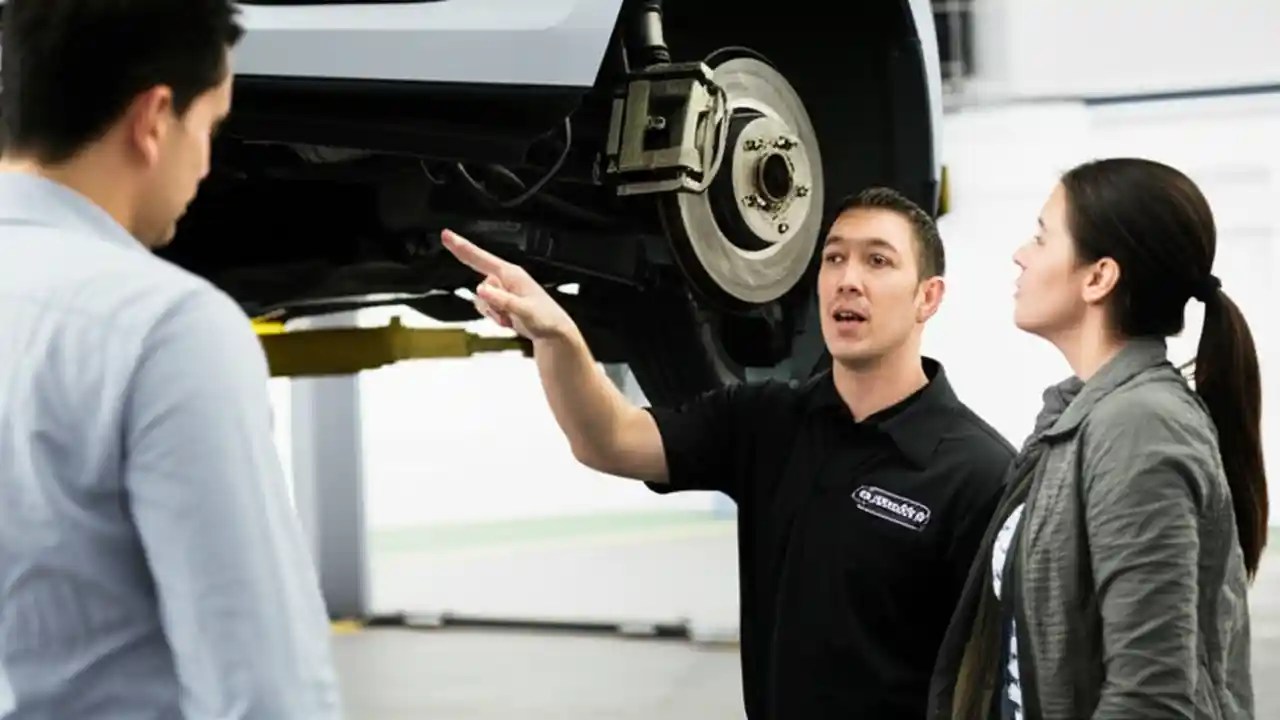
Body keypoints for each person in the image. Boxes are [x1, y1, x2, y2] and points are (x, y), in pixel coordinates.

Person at [442, 187, 1015, 719]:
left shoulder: (977, 472)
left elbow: (998, 677)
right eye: (834, 258)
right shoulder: (768, 421)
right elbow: (610, 439)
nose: (847, 280)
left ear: (927, 297)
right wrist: (557, 336)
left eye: (878, 261)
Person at [0, 1, 343, 717]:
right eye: (209, 126)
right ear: (155, 119)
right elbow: (263, 688)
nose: (208, 162)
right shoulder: (165, 328)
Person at [928, 157, 1264, 720]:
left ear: (1099, 277)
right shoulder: (1085, 415)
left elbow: (1151, 696)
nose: (1020, 254)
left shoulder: (1140, 426)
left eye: (1042, 237)